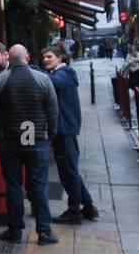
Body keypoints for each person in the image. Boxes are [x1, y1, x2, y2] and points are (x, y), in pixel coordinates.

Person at [0, 45, 60, 245]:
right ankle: (44, 232)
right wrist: (51, 134)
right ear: (27, 57)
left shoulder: (0, 81)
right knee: (39, 186)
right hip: (36, 140)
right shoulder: (43, 79)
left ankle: (15, 230)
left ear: (8, 57)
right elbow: (53, 110)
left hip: (11, 140)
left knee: (14, 186)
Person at [42, 44, 99, 224]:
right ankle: (88, 206)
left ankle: (75, 210)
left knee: (68, 172)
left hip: (64, 129)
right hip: (64, 128)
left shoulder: (63, 75)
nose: (45, 60)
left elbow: (48, 83)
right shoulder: (60, 74)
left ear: (60, 58)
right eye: (44, 57)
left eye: (49, 57)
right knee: (69, 170)